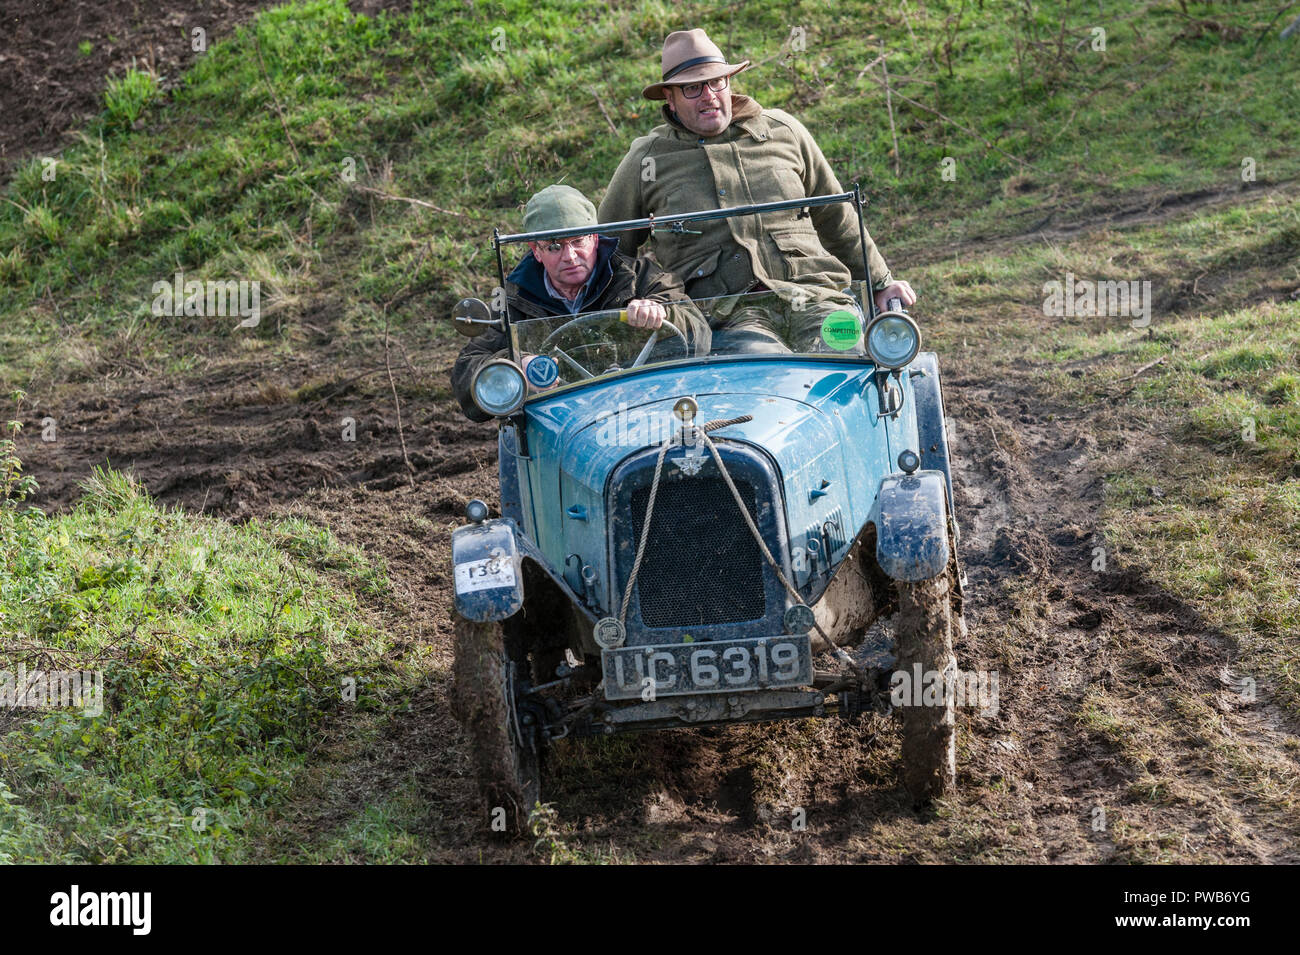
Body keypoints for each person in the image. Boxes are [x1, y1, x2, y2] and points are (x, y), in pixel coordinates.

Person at [598, 29, 917, 353]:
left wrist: (881, 283)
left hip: (817, 297)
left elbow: (836, 216)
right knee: (765, 380)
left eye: (716, 82)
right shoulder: (647, 158)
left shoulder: (784, 131)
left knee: (846, 356)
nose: (709, 95)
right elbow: (608, 250)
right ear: (670, 97)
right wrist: (638, 306)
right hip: (727, 318)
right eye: (692, 88)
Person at [452, 184, 695, 421]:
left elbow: (699, 330)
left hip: (642, 412)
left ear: (595, 238)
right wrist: (518, 365)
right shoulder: (513, 300)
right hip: (557, 424)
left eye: (578, 241)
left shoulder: (638, 277)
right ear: (536, 250)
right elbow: (467, 371)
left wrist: (661, 312)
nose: (569, 257)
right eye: (554, 246)